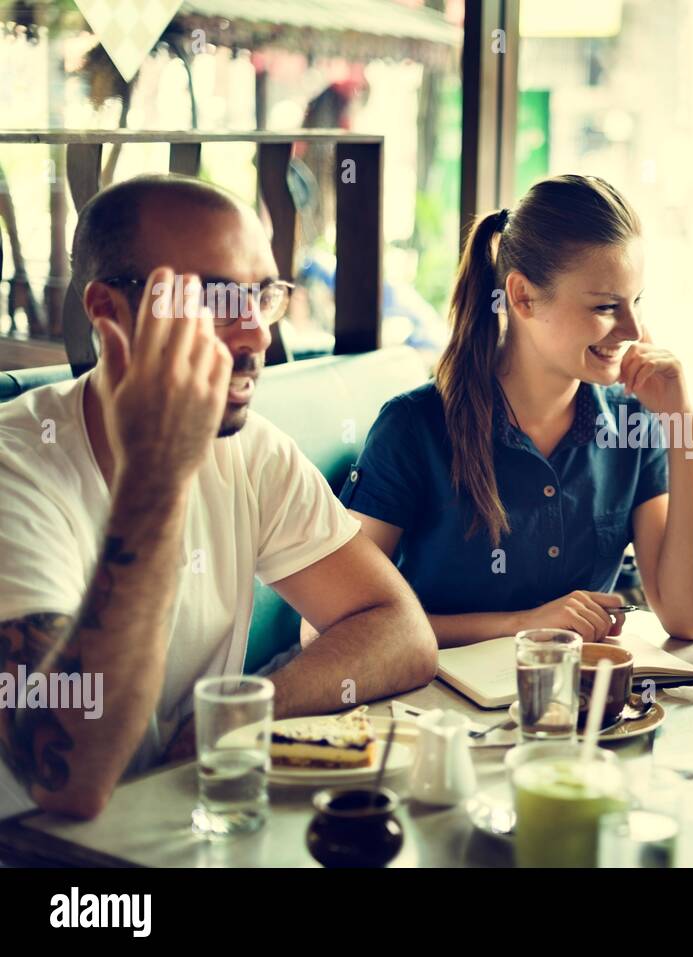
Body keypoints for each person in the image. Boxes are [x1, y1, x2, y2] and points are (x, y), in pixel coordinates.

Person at [0, 175, 437, 821]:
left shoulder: (250, 447)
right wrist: (156, 474)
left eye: (263, 295)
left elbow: (401, 630)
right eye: (215, 296)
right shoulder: (17, 469)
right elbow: (70, 776)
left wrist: (239, 712)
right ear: (108, 312)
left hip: (183, 819)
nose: (256, 332)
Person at [335, 175, 693, 645]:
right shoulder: (413, 427)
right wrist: (520, 627)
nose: (634, 329)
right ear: (522, 297)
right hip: (437, 709)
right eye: (605, 306)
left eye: (636, 302)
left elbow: (688, 618)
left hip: (578, 711)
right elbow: (332, 624)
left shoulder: (633, 422)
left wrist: (683, 428)